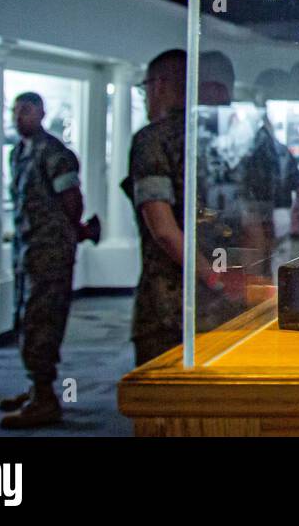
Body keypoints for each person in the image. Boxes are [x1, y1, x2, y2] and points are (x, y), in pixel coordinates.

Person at [0, 92, 95, 429]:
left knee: (43, 320)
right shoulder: (20, 153)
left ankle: (46, 397)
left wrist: (71, 231)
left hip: (50, 252)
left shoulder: (53, 152)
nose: (18, 116)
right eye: (15, 110)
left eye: (25, 110)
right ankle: (36, 387)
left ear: (40, 113)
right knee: (26, 317)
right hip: (29, 250)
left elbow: (71, 198)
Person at [126, 49, 224, 366]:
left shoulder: (152, 140)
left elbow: (165, 230)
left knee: (160, 399)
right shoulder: (215, 138)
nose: (145, 97)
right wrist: (226, 284)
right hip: (219, 302)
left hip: (169, 300)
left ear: (160, 85)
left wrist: (210, 278)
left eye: (146, 87)